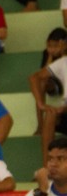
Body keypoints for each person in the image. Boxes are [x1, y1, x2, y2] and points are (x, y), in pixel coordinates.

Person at [30, 29, 67, 162]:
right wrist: (41, 104)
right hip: (56, 89)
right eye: (49, 45)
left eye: (55, 45)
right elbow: (35, 77)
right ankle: (46, 165)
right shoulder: (62, 62)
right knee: (51, 113)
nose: (51, 49)